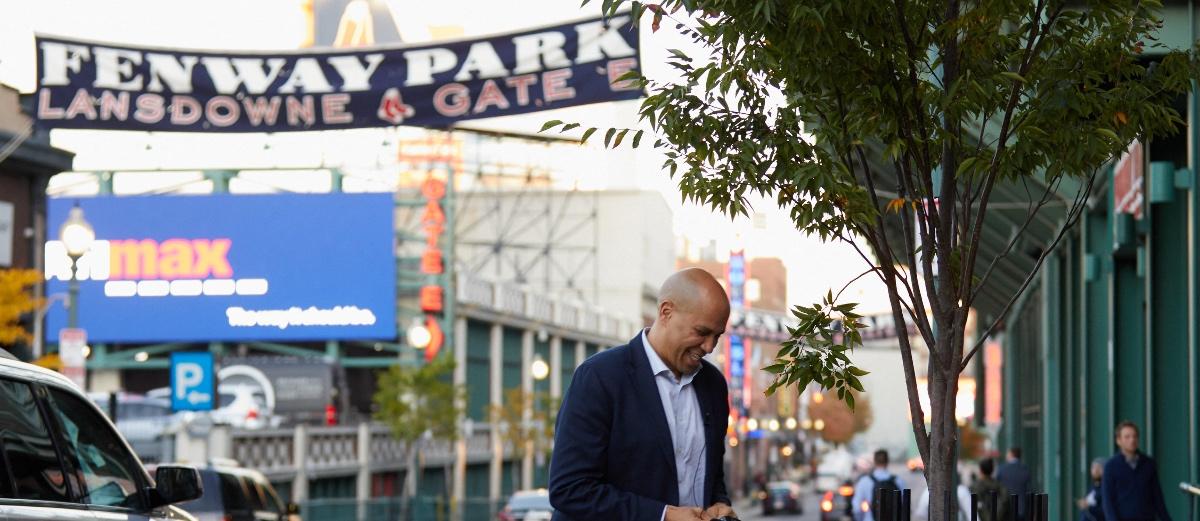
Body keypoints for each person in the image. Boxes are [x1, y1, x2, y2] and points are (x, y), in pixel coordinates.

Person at [548, 268, 735, 521]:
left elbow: (711, 475)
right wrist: (663, 516)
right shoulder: (600, 377)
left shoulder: (713, 384)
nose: (710, 347)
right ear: (666, 312)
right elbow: (570, 489)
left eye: (717, 336)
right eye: (702, 332)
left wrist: (719, 504)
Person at [1101, 421, 1171, 521]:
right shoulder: (1111, 466)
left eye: (1135, 436)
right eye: (1127, 437)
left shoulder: (1149, 464)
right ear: (1118, 441)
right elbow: (1107, 501)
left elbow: (1157, 497)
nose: (1132, 440)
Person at [852, 450, 905, 521]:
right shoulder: (898, 480)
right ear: (887, 461)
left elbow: (857, 509)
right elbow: (905, 505)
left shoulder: (864, 481)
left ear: (874, 461)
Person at [996, 447, 1033, 520]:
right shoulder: (1025, 469)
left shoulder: (1002, 469)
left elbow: (997, 487)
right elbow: (1029, 488)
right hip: (1022, 508)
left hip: (1006, 508)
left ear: (1011, 454)